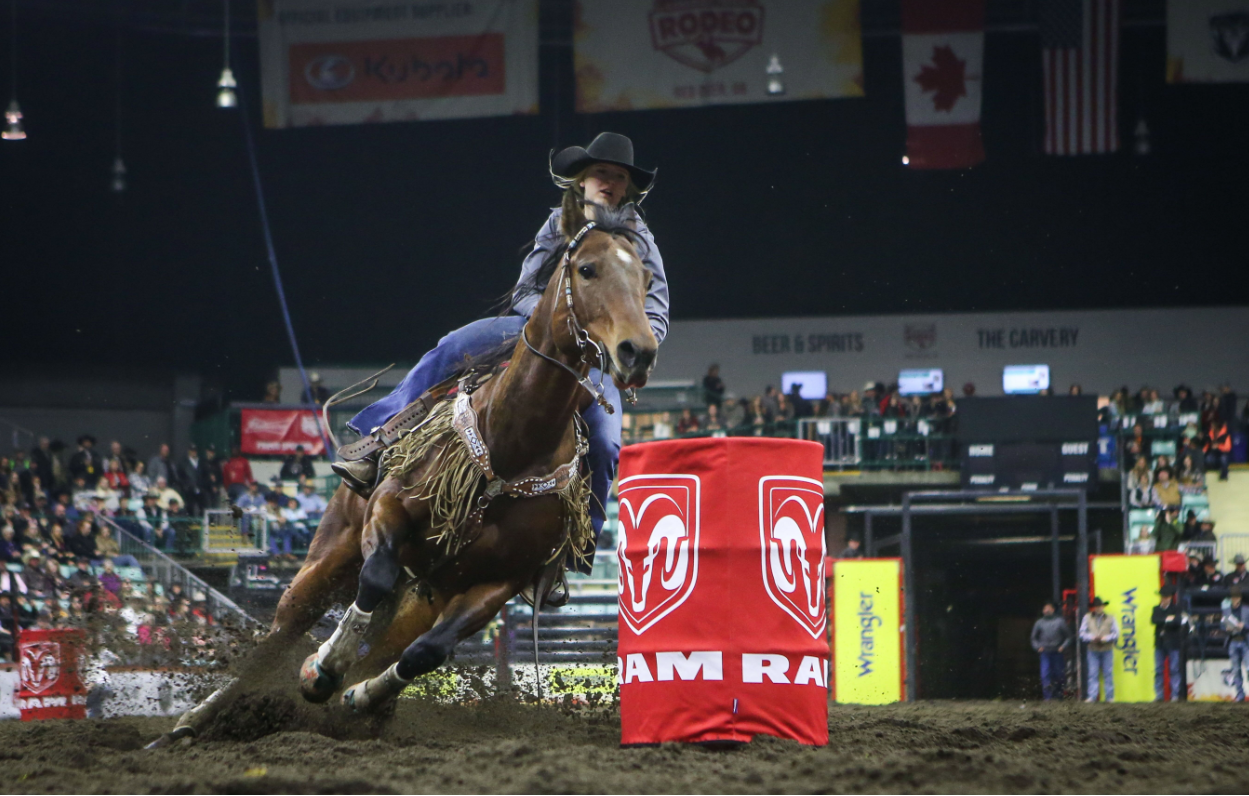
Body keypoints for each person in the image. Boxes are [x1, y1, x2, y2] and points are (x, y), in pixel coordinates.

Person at [336, 132, 666, 576]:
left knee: (606, 442)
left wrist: (631, 346)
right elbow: (527, 288)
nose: (608, 182)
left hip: (597, 348)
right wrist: (551, 321)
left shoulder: (640, 242)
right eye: (600, 173)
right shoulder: (558, 223)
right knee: (452, 346)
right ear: (582, 182)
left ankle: (578, 540)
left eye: (617, 176)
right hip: (536, 330)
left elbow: (657, 310)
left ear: (627, 187)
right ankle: (375, 440)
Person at [1152, 585, 1187, 702]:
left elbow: (1177, 622)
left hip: (1173, 643)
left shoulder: (1176, 609)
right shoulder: (1157, 609)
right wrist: (1168, 619)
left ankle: (1175, 695)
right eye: (1163, 597)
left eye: (1166, 597)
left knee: (1174, 669)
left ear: (1170, 598)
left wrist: (1164, 620)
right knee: (1158, 670)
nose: (1164, 599)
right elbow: (1154, 620)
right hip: (1160, 644)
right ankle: (1159, 695)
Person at [1079, 597, 1118, 703]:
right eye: (1096, 606)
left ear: (1103, 607)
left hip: (1106, 649)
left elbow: (1116, 633)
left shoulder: (1111, 618)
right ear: (1094, 608)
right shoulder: (1087, 617)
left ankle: (1109, 697)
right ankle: (1093, 696)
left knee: (1107, 673)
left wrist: (1106, 638)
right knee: (1093, 673)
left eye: (1100, 606)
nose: (1098, 608)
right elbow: (1082, 633)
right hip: (1093, 649)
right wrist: (1092, 638)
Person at [1031, 602, 1071, 701]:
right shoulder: (1039, 623)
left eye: (1049, 608)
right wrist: (1037, 647)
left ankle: (1058, 696)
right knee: (1045, 674)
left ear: (1053, 610)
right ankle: (1047, 698)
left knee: (1059, 675)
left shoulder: (1060, 622)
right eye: (1045, 608)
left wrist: (1063, 646)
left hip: (1057, 652)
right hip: (1045, 652)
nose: (1046, 610)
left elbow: (1069, 636)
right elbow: (1033, 638)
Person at [1224, 586, 1249, 702]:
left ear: (1239, 598)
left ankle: (1241, 694)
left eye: (1236, 597)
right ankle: (1240, 694)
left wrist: (1243, 626)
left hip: (1244, 641)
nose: (1234, 600)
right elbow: (1222, 624)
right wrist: (1226, 628)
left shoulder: (1246, 610)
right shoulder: (1227, 611)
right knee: (1236, 669)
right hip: (1234, 640)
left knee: (1247, 668)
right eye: (1233, 598)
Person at [1204, 417, 1232, 482]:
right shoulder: (1211, 433)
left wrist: (1218, 446)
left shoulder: (1225, 435)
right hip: (1214, 453)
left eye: (1212, 425)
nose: (1211, 426)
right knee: (1208, 459)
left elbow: (1228, 448)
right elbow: (1207, 444)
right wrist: (1204, 451)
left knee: (1223, 458)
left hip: (1223, 453)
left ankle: (1224, 475)